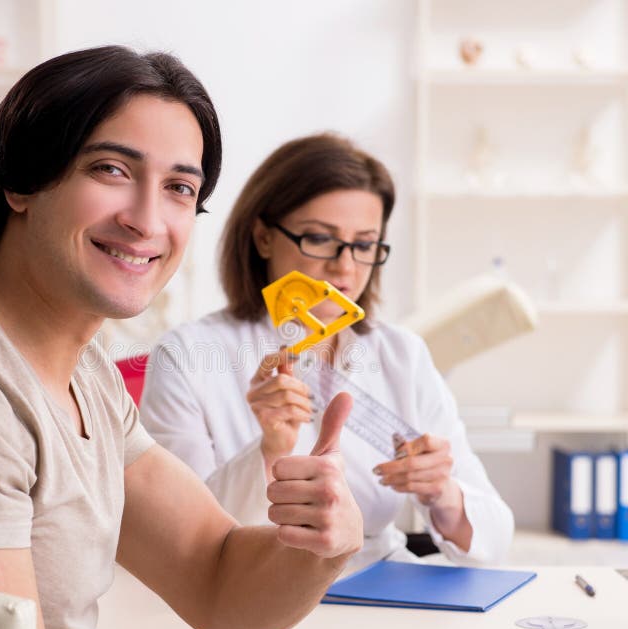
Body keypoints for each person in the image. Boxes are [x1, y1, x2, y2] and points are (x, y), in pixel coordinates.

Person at [0, 49, 364, 629]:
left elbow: (218, 580)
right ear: (22, 181)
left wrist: (319, 544)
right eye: (111, 169)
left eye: (179, 189)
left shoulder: (88, 376)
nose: (146, 219)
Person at [141, 133, 514, 572]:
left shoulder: (402, 355)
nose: (345, 265)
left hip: (378, 586)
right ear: (263, 237)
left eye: (364, 244)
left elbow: (496, 535)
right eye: (320, 238)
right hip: (247, 590)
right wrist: (271, 450)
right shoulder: (187, 355)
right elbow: (183, 540)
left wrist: (441, 493)